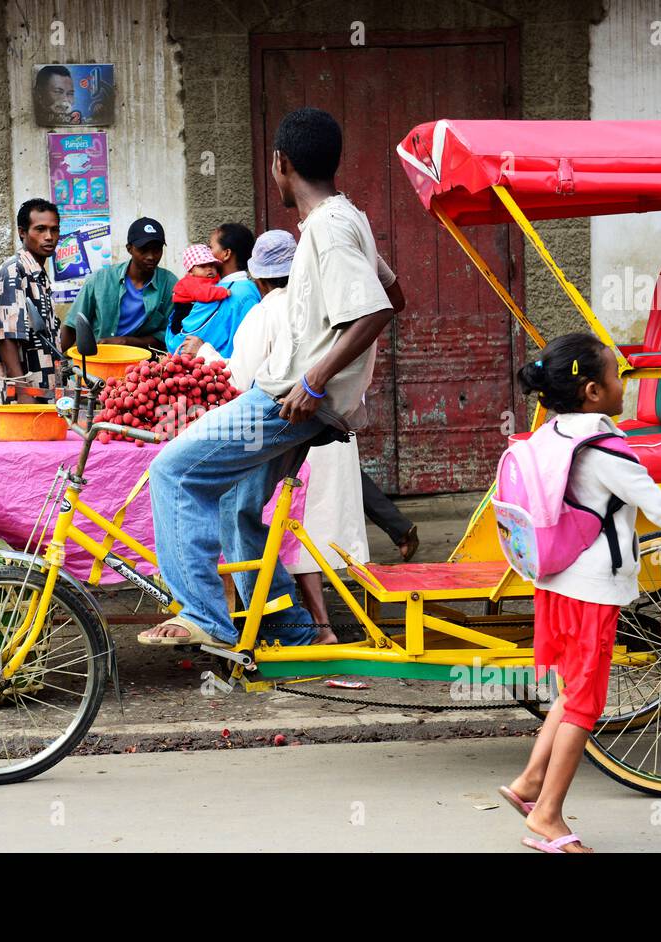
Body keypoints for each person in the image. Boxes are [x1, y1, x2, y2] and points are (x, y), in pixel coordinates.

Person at [139, 107, 398, 648]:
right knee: (237, 502)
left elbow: (376, 310)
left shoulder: (326, 228)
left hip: (285, 400)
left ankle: (203, 615)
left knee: (174, 473)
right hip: (300, 401)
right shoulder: (347, 219)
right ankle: (290, 626)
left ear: (281, 163)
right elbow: (394, 294)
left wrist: (316, 377)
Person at [500, 333, 661, 853]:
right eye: (617, 375)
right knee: (585, 704)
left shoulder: (552, 434)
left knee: (573, 691)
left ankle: (530, 783)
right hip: (591, 589)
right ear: (594, 392)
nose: (625, 384)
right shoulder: (603, 450)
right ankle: (548, 816)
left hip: (553, 580)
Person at [227, 229, 386, 643]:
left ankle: (315, 626)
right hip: (332, 429)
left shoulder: (260, 316)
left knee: (295, 527)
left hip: (288, 435)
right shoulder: (322, 307)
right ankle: (358, 623)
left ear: (258, 280)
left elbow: (242, 379)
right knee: (333, 527)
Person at [62, 217, 174, 351]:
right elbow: (73, 325)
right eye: (143, 249)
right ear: (129, 249)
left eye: (156, 250)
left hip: (144, 364)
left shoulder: (169, 284)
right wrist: (59, 358)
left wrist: (126, 341)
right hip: (101, 359)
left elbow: (169, 335)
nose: (150, 256)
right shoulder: (100, 280)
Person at [0, 198, 62, 403]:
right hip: (26, 396)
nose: (49, 237)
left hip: (46, 391)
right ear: (22, 232)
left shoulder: (38, 274)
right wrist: (23, 392)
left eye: (54, 230)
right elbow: (7, 336)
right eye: (40, 229)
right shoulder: (14, 271)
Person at [166, 223, 259, 358]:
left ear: (226, 254)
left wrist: (170, 328)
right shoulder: (252, 288)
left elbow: (178, 344)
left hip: (221, 373)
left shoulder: (216, 296)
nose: (207, 253)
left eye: (211, 248)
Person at [170, 243, 229, 349]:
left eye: (211, 265)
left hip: (192, 303)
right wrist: (223, 292)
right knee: (179, 327)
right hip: (185, 306)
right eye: (202, 266)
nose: (209, 269)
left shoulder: (206, 277)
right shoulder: (192, 281)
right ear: (191, 271)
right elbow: (204, 294)